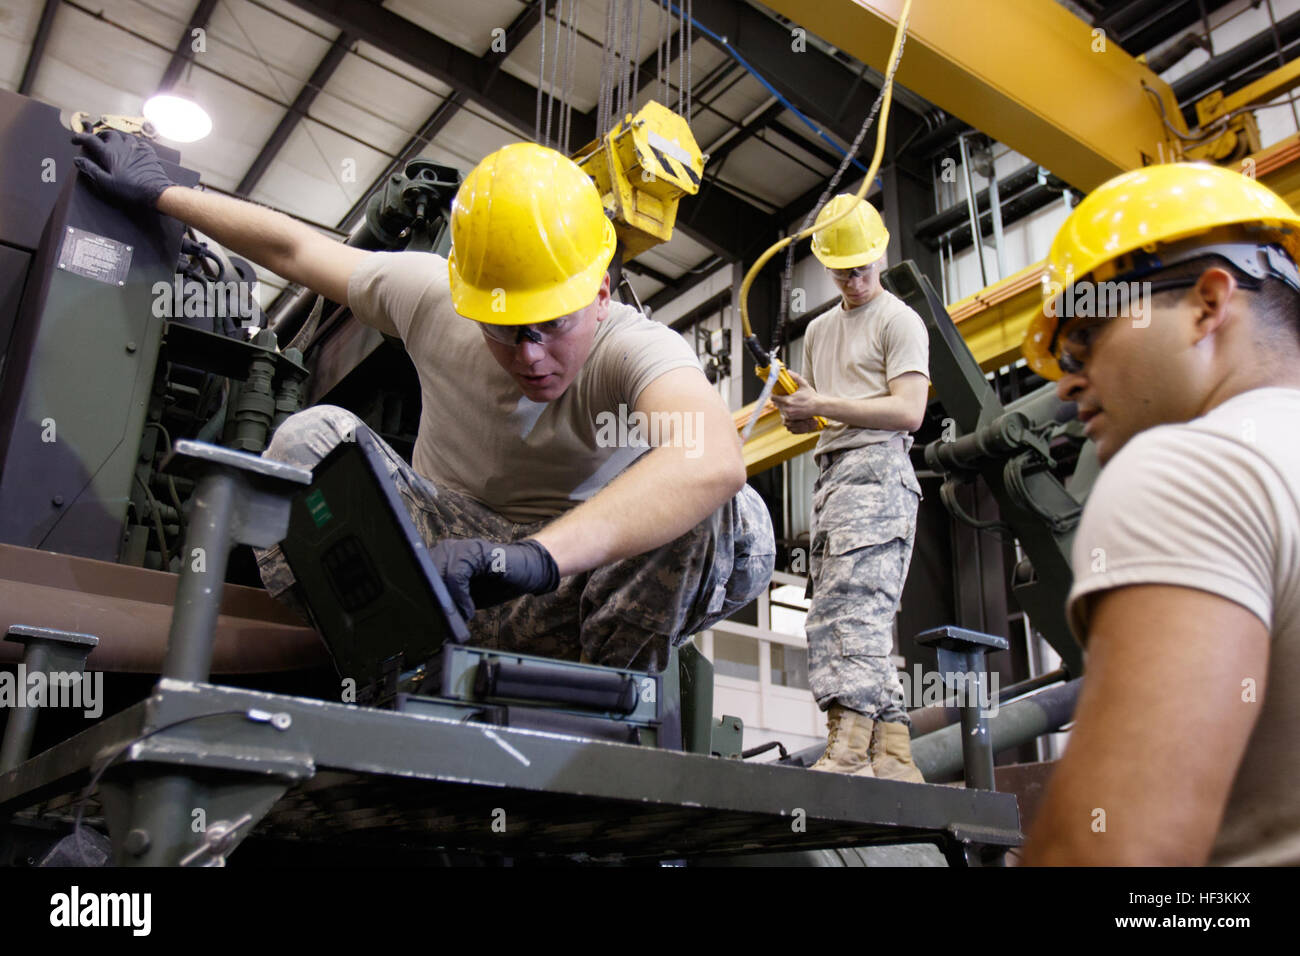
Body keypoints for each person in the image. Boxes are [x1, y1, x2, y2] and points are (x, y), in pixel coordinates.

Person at [72, 131, 775, 674]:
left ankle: (605, 708)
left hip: (575, 595)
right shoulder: (430, 296)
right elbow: (293, 248)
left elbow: (710, 457)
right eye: (505, 332)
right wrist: (162, 195)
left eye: (550, 328)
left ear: (598, 293)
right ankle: (372, 655)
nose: (530, 357)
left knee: (732, 512)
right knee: (309, 437)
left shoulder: (636, 347)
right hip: (439, 579)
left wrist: (532, 558)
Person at [1019, 162, 1300, 865]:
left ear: (1207, 303)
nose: (1068, 382)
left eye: (1083, 338)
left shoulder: (1192, 467)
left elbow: (1109, 856)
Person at [771, 195, 930, 779]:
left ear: (881, 255)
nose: (854, 280)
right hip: (834, 475)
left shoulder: (899, 321)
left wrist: (824, 404)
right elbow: (818, 418)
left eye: (861, 268)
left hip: (878, 472)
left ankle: (846, 748)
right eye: (841, 271)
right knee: (847, 610)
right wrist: (798, 412)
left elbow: (910, 410)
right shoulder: (817, 331)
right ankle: (892, 756)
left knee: (849, 612)